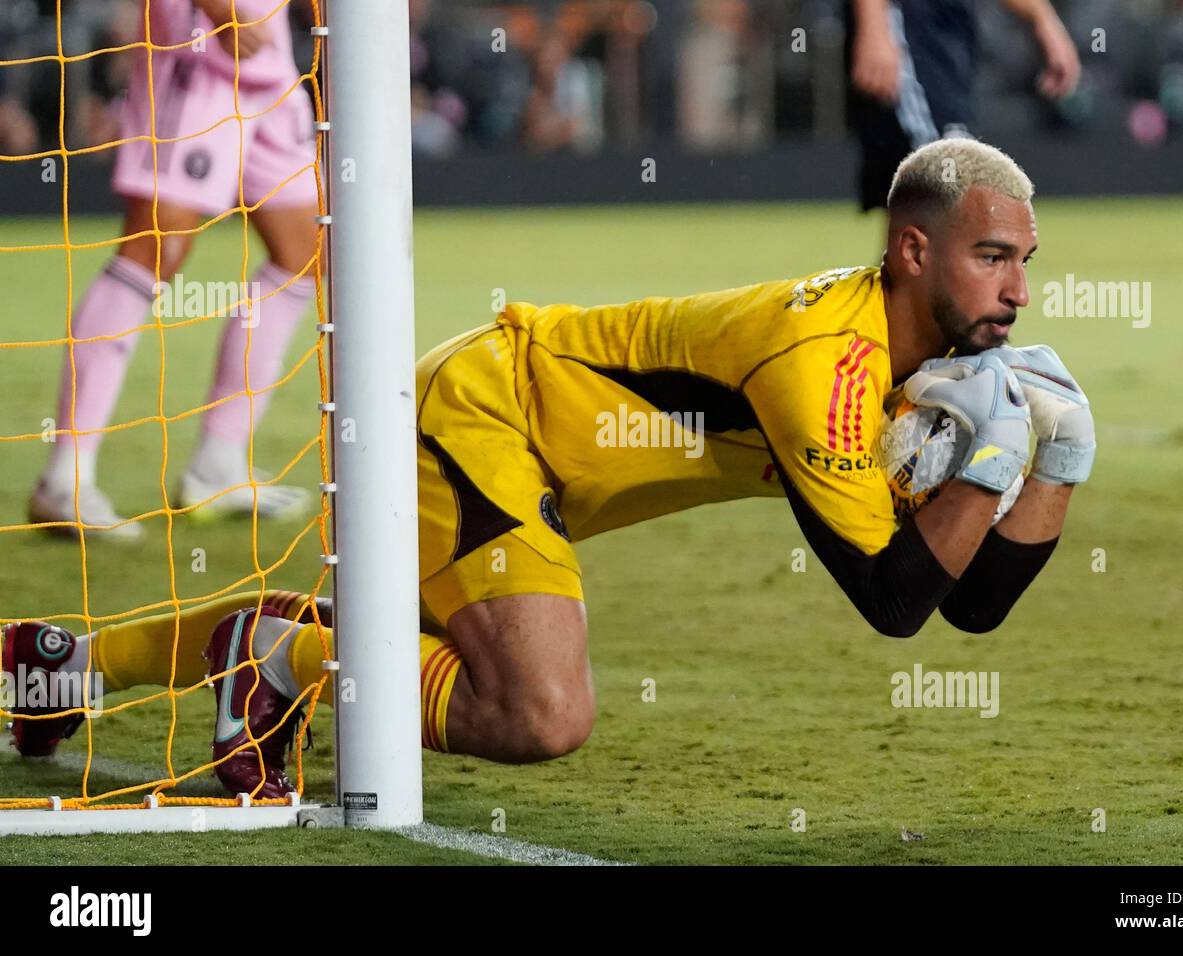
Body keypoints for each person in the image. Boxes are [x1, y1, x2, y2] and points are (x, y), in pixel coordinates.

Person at [5, 140, 1097, 799]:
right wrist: (987, 467)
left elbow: (972, 606)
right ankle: (278, 657)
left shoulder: (940, 373)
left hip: (525, 448)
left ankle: (61, 667)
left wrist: (1055, 459)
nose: (1018, 291)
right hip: (487, 416)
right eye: (991, 256)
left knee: (384, 636)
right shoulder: (824, 368)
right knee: (537, 710)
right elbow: (898, 602)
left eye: (1025, 263)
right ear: (913, 250)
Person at [28, 0, 320, 541]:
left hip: (266, 53)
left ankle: (219, 464)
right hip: (205, 39)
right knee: (156, 246)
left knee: (306, 255)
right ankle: (64, 481)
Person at [846, 0, 1080, 211]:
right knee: (944, 175)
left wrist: (1044, 20)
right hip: (910, 23)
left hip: (951, 28)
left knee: (927, 199)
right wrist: (875, 27)